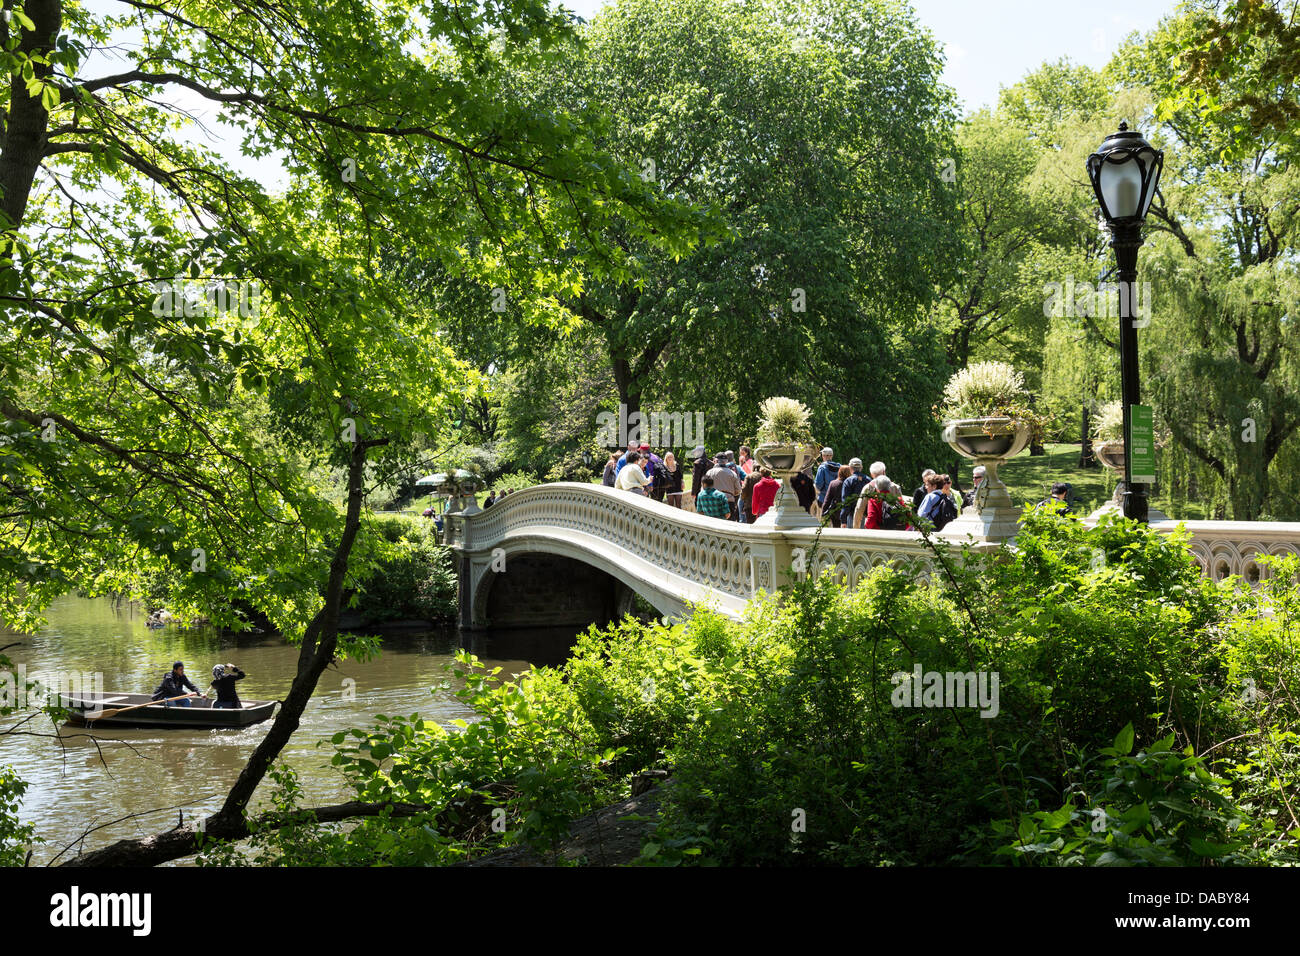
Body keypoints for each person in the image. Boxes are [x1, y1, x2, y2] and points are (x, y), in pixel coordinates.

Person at [706, 454, 743, 520]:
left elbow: (704, 489)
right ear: (726, 461)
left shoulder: (709, 473)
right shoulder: (732, 473)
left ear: (716, 461)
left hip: (713, 502)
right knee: (729, 525)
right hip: (729, 501)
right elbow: (738, 490)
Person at [840, 458, 869, 529]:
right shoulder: (868, 480)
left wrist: (843, 520)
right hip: (866, 517)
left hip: (852, 516)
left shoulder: (848, 481)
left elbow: (846, 502)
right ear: (861, 467)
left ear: (850, 467)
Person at [689, 445, 713, 510]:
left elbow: (696, 479)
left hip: (700, 490)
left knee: (700, 509)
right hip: (711, 490)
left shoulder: (697, 463)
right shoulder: (711, 463)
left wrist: (693, 492)